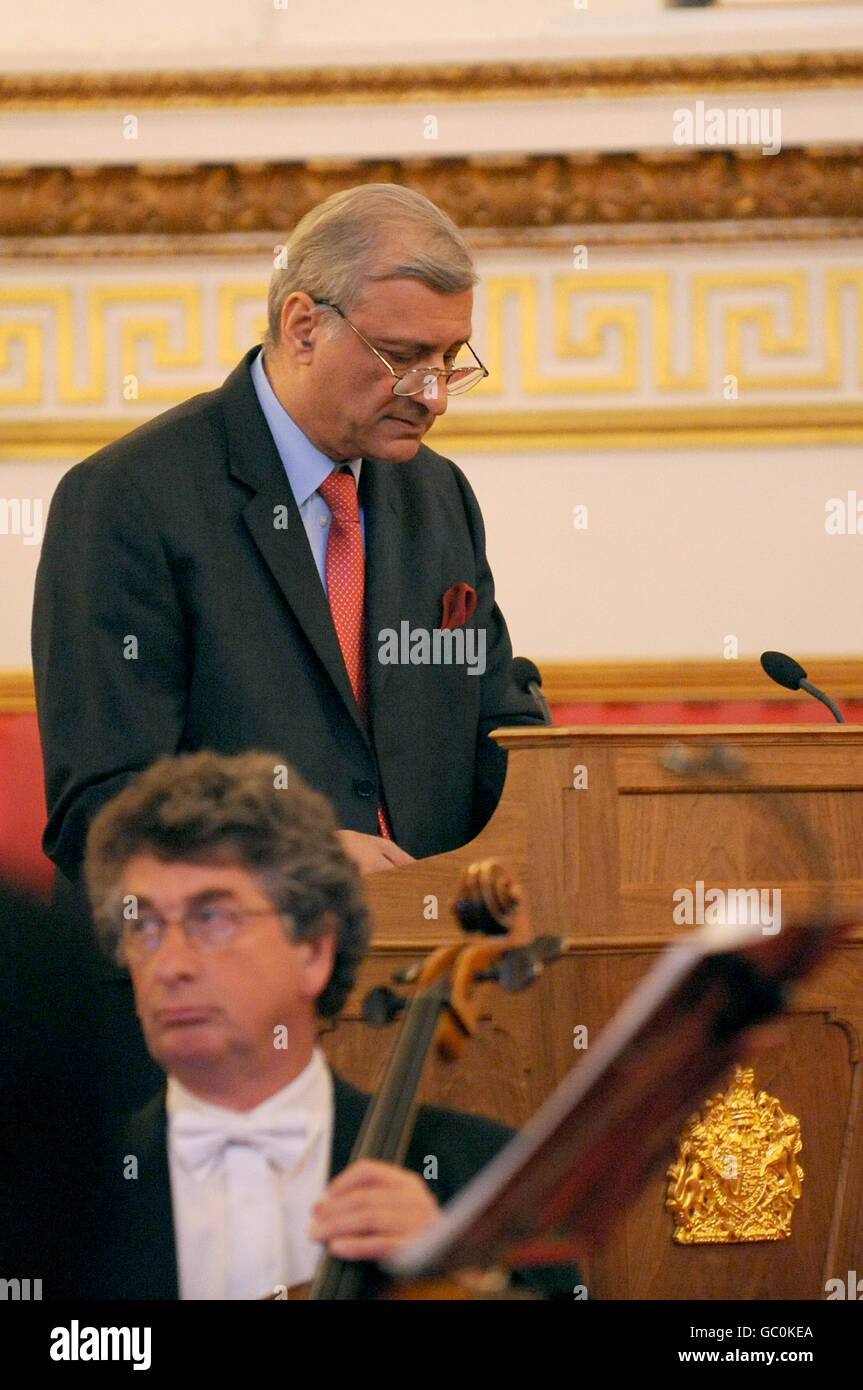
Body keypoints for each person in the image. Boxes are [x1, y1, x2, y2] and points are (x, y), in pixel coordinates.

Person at [32, 182, 542, 917]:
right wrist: (296, 857)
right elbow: (103, 807)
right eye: (402, 357)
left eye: (449, 358)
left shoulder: (438, 498)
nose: (433, 396)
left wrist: (579, 786)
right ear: (303, 326)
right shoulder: (129, 497)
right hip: (204, 980)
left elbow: (494, 729)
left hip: (419, 974)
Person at [79, 748, 551, 1300]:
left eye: (213, 918)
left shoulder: (487, 1178)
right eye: (146, 925)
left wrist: (468, 1281)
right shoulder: (60, 1190)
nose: (172, 964)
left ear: (313, 951)